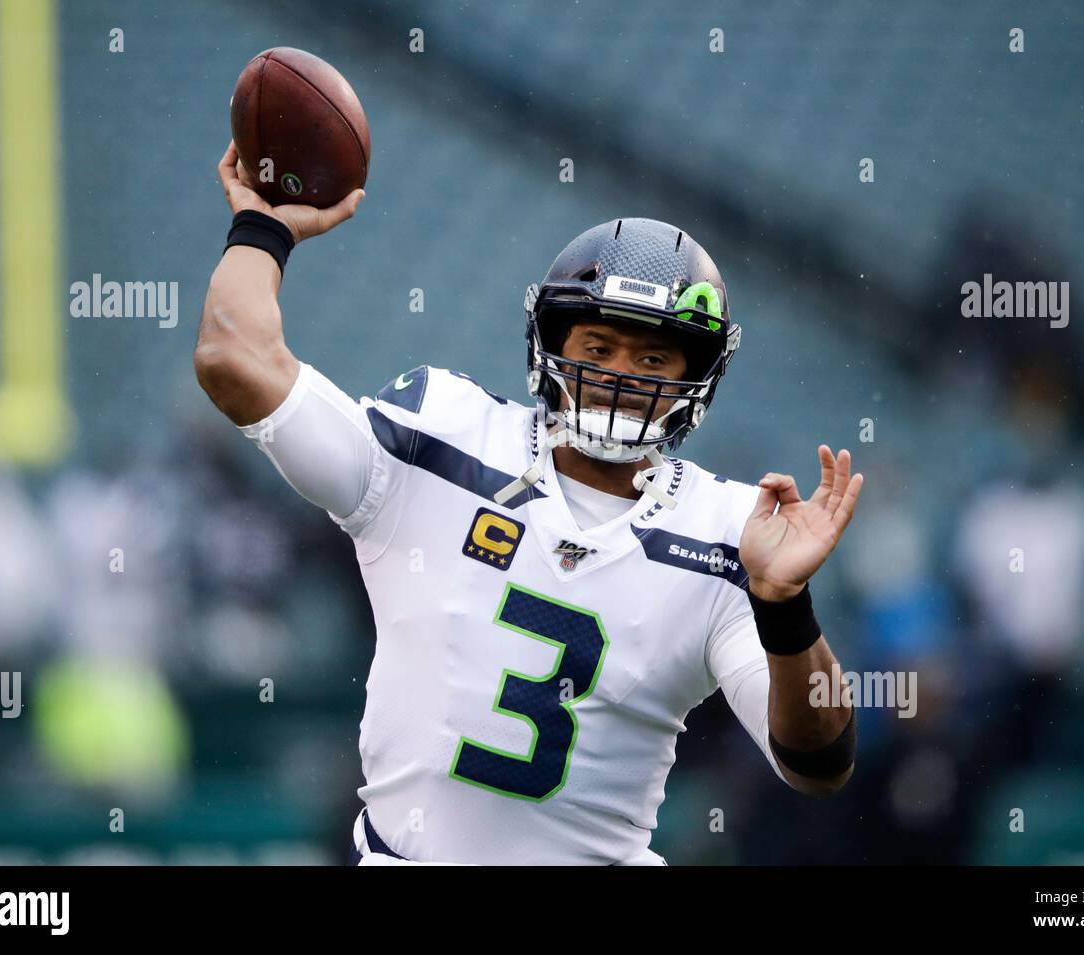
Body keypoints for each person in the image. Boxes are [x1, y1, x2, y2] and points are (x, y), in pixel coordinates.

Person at [194, 142, 864, 864]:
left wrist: (786, 607)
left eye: (651, 359)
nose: (618, 376)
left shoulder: (729, 531)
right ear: (550, 343)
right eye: (600, 346)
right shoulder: (442, 437)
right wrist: (263, 230)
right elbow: (236, 360)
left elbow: (818, 762)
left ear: (691, 379)